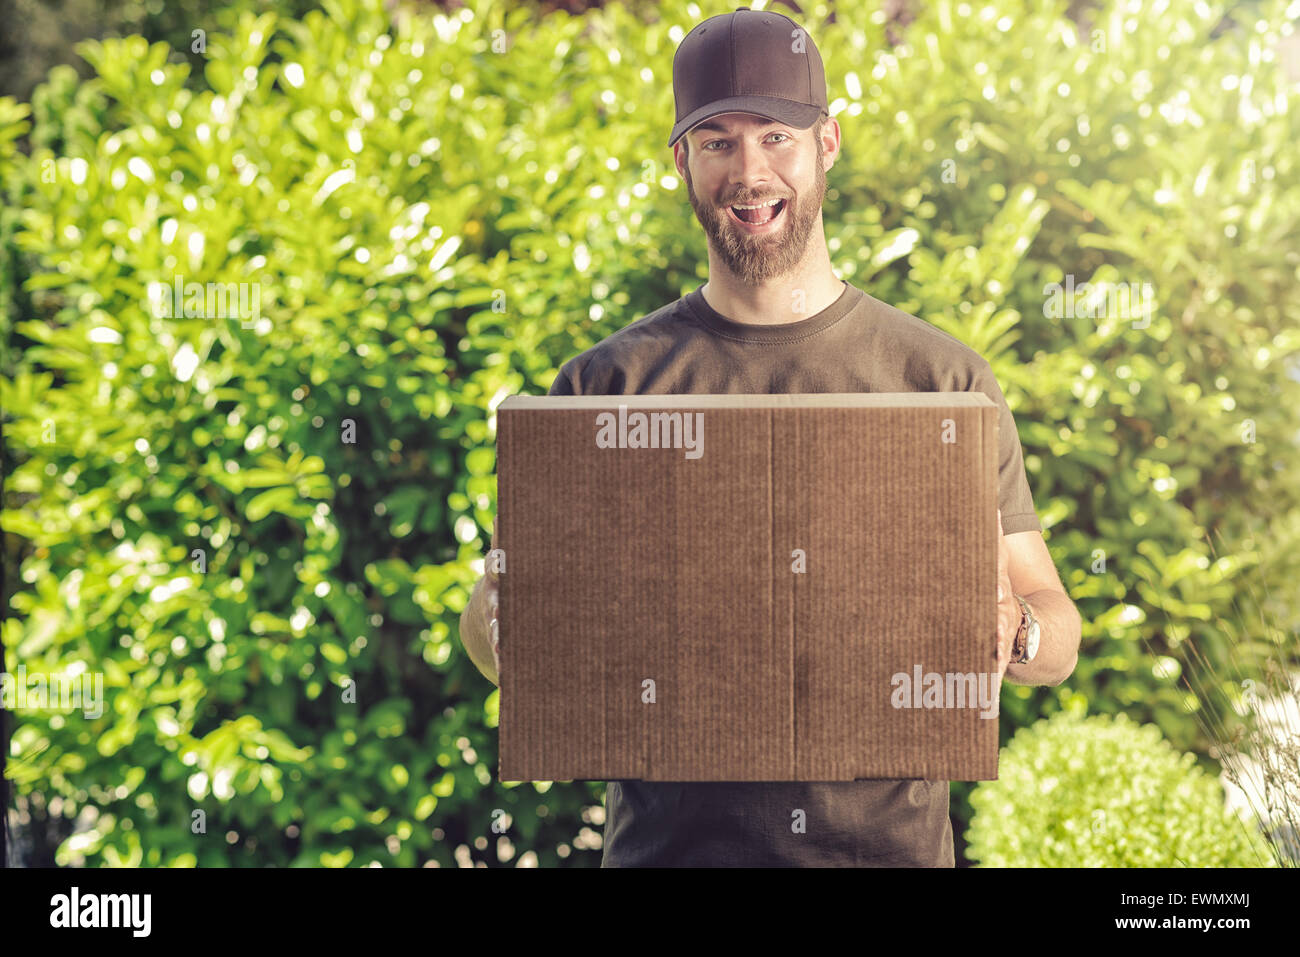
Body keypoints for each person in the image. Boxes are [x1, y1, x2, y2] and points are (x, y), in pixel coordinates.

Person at [459, 6, 1081, 867]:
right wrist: (502, 621)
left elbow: (1056, 626)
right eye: (717, 142)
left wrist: (1017, 632)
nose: (749, 172)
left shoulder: (942, 381)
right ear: (682, 161)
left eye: (776, 136)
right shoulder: (606, 387)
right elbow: (495, 638)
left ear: (827, 143)